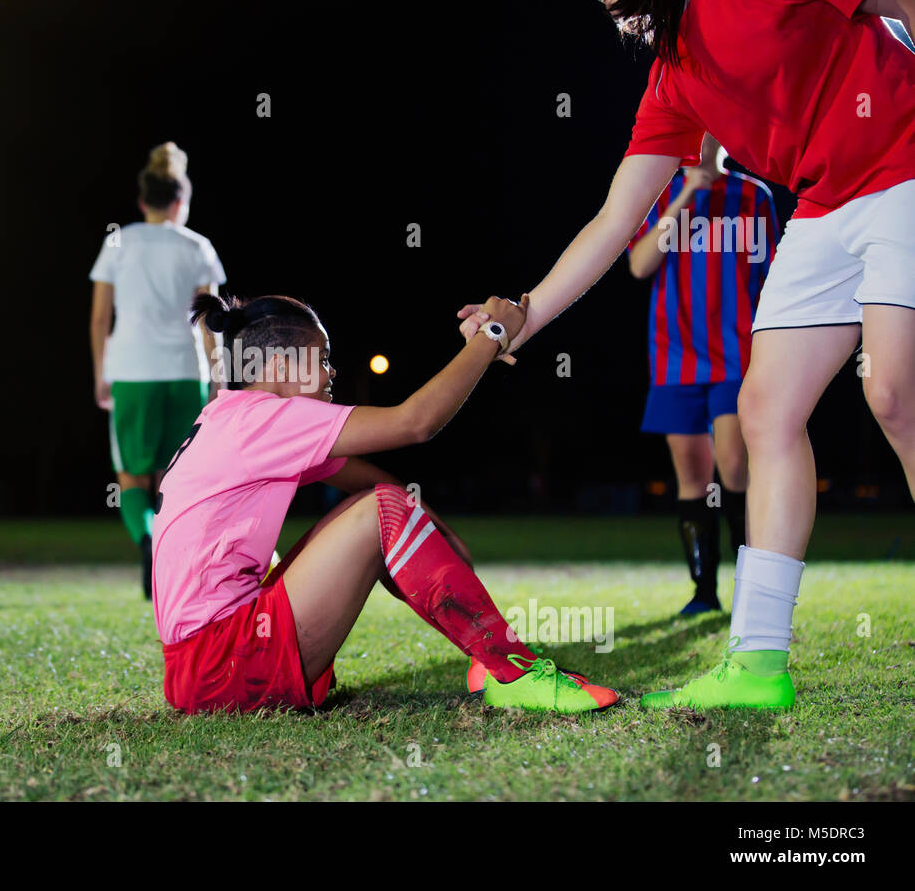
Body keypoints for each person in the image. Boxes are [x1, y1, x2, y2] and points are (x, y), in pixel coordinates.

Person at [461, 0, 915, 709]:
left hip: (904, 159)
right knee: (768, 410)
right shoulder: (673, 83)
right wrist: (527, 314)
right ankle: (757, 667)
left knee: (894, 396)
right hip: (823, 204)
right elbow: (614, 224)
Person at [152, 290, 620, 715]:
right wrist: (491, 336)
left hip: (202, 667)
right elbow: (416, 423)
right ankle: (513, 671)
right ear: (278, 366)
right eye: (322, 358)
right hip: (223, 665)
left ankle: (488, 659)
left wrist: (430, 528)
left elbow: (360, 478)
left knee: (379, 505)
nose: (332, 372)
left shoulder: (228, 418)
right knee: (382, 508)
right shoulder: (262, 418)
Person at [626, 132, 777, 615]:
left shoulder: (755, 195)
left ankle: (752, 594)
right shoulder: (660, 192)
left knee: (735, 469)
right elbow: (640, 264)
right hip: (676, 356)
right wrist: (691, 190)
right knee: (692, 478)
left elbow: (772, 277)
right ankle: (704, 594)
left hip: (738, 354)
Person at [89, 142, 225, 599]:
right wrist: (217, 377)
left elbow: (99, 318)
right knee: (174, 477)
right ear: (181, 202)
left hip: (131, 370)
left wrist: (99, 372)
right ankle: (170, 559)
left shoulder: (117, 241)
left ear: (142, 200)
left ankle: (146, 538)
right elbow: (211, 319)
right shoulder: (198, 247)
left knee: (131, 476)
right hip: (185, 372)